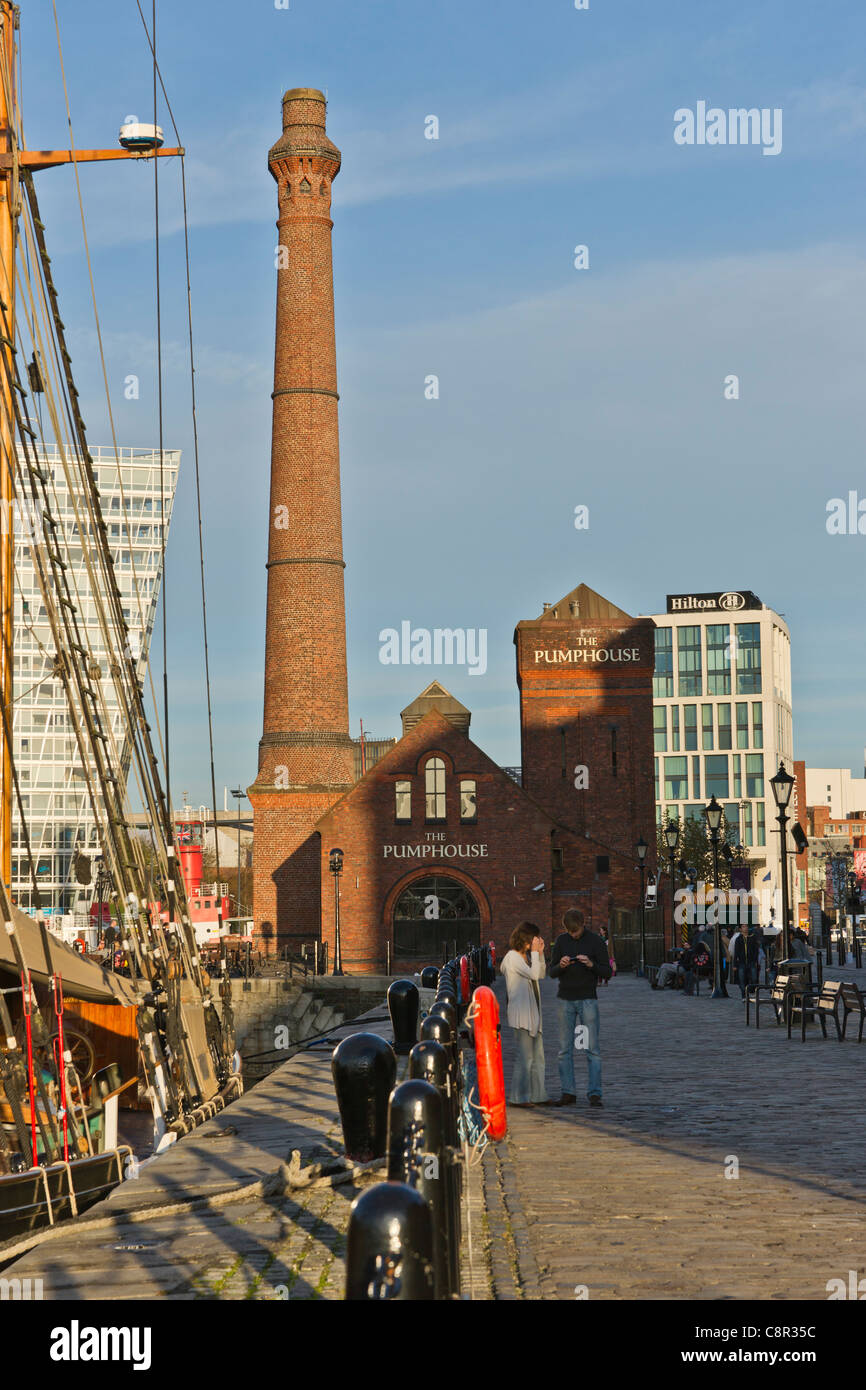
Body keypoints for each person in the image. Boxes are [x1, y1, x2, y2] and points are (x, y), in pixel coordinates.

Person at [549, 908, 611, 1108]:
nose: (573, 935)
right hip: (565, 999)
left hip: (587, 999)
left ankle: (594, 1093)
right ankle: (568, 1092)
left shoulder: (596, 941)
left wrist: (591, 964)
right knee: (564, 1050)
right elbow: (552, 972)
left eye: (575, 932)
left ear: (583, 925)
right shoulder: (561, 941)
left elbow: (607, 972)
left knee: (592, 1049)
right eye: (570, 932)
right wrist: (561, 965)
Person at [499, 923, 550, 1107]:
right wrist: (536, 954)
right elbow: (534, 974)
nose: (536, 941)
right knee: (525, 1057)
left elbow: (541, 973)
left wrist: (540, 954)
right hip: (522, 1016)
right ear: (526, 940)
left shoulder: (527, 957)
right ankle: (518, 1097)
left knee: (538, 1058)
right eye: (534, 938)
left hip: (533, 1014)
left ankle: (539, 1095)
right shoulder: (513, 958)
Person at [731, 922, 759, 997]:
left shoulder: (752, 938)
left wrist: (756, 961)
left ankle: (751, 990)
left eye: (746, 926)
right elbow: (736, 952)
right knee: (742, 979)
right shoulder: (738, 939)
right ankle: (744, 995)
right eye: (743, 926)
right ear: (740, 929)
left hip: (751, 961)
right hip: (741, 962)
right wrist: (734, 964)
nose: (745, 928)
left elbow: (756, 950)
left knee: (754, 978)